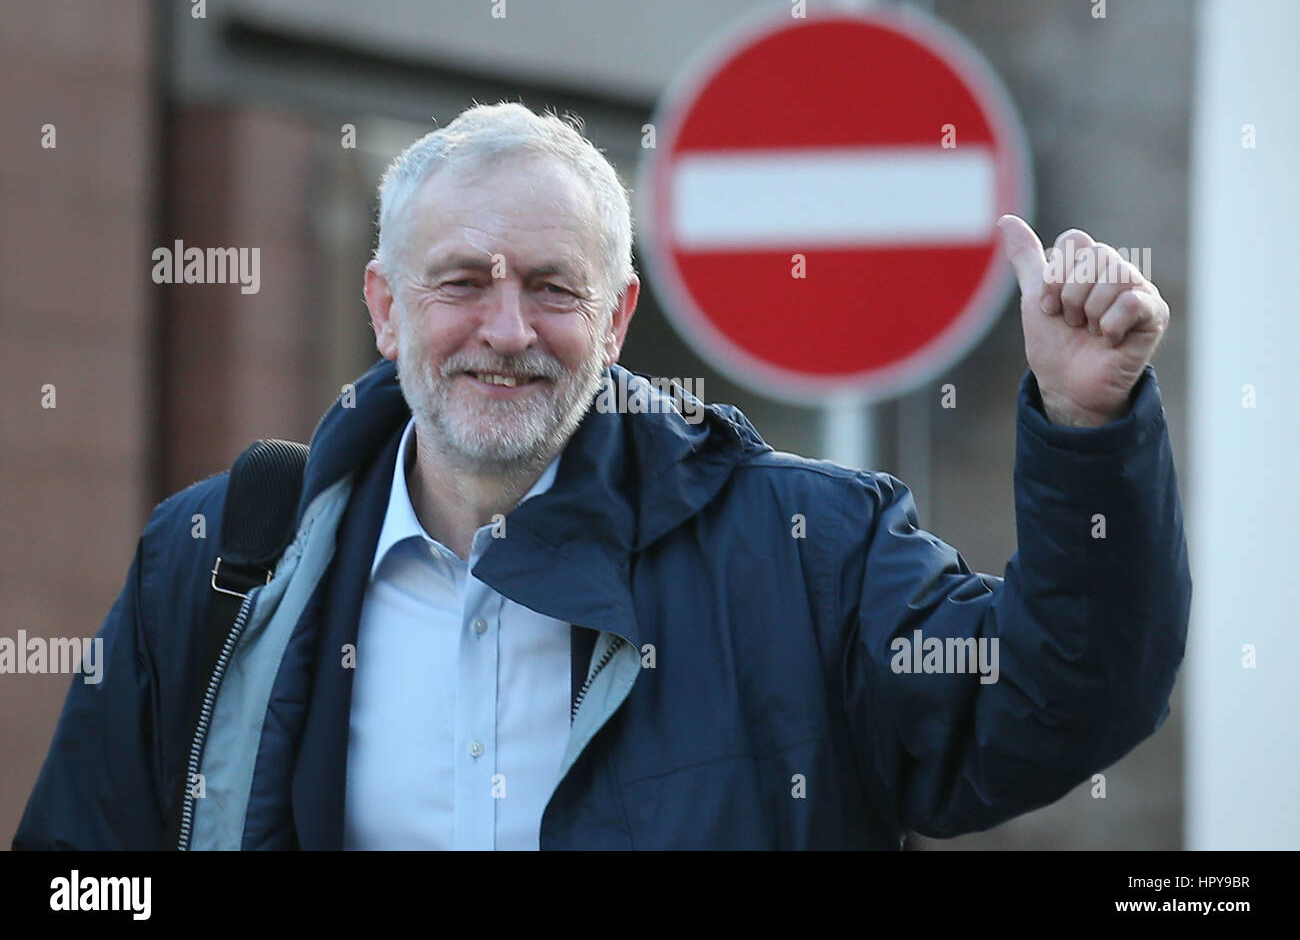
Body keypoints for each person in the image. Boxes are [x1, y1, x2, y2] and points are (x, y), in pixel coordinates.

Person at [13, 101, 1190, 850]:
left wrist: (1086, 428)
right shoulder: (223, 557)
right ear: (385, 307)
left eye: (555, 287)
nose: (508, 329)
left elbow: (1051, 706)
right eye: (460, 282)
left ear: (618, 316)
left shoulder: (802, 549)